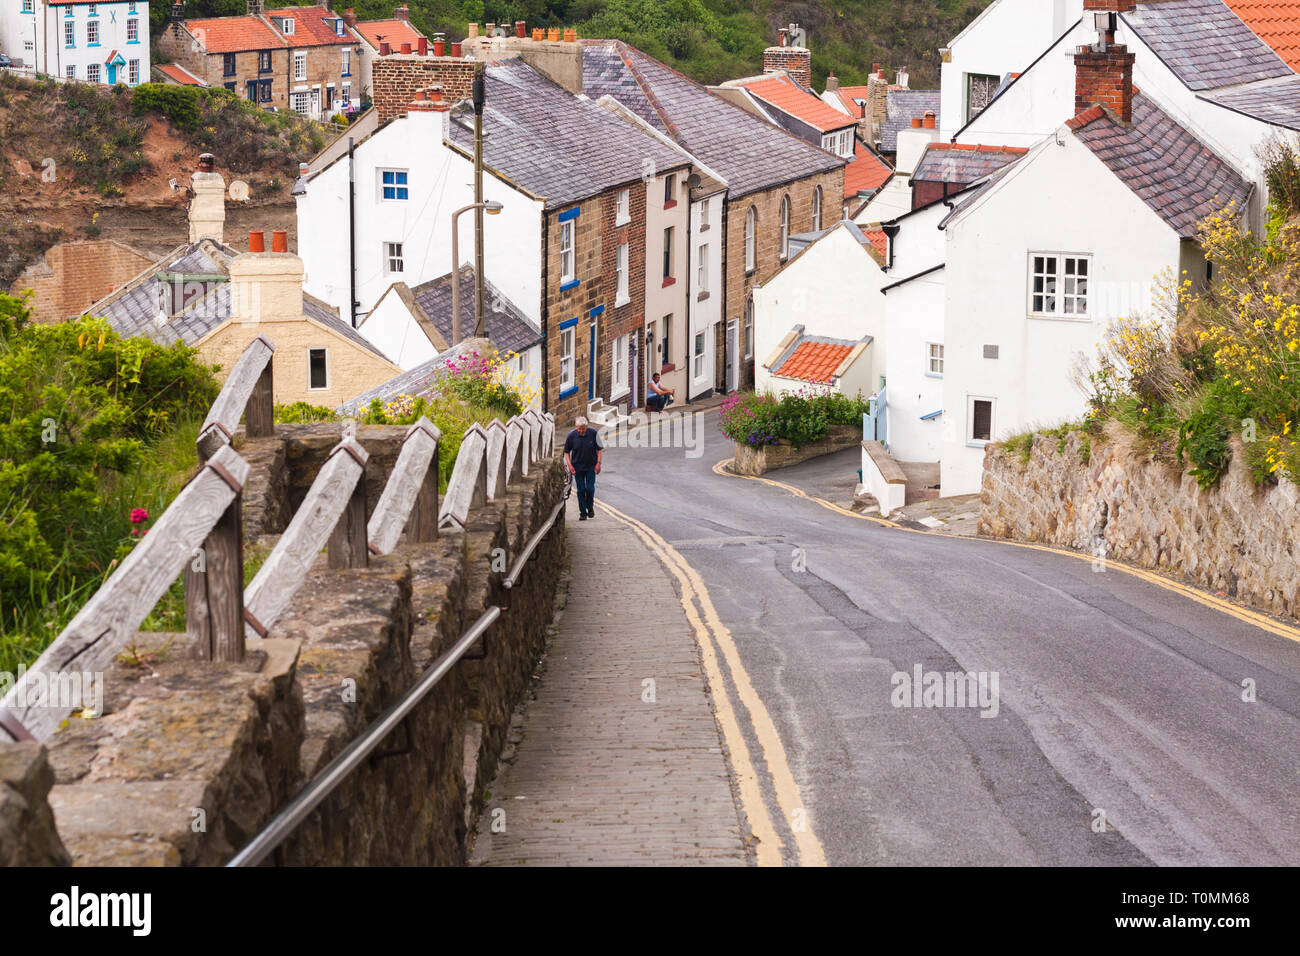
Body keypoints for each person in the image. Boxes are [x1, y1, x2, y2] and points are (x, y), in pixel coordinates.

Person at [564, 416, 603, 520]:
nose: (581, 431)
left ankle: (590, 508)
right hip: (577, 468)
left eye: (583, 428)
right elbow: (566, 452)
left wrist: (599, 463)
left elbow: (599, 450)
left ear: (587, 426)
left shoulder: (593, 433)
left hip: (591, 466)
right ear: (576, 427)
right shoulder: (571, 435)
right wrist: (570, 465)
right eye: (579, 429)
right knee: (581, 490)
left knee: (590, 489)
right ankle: (583, 513)